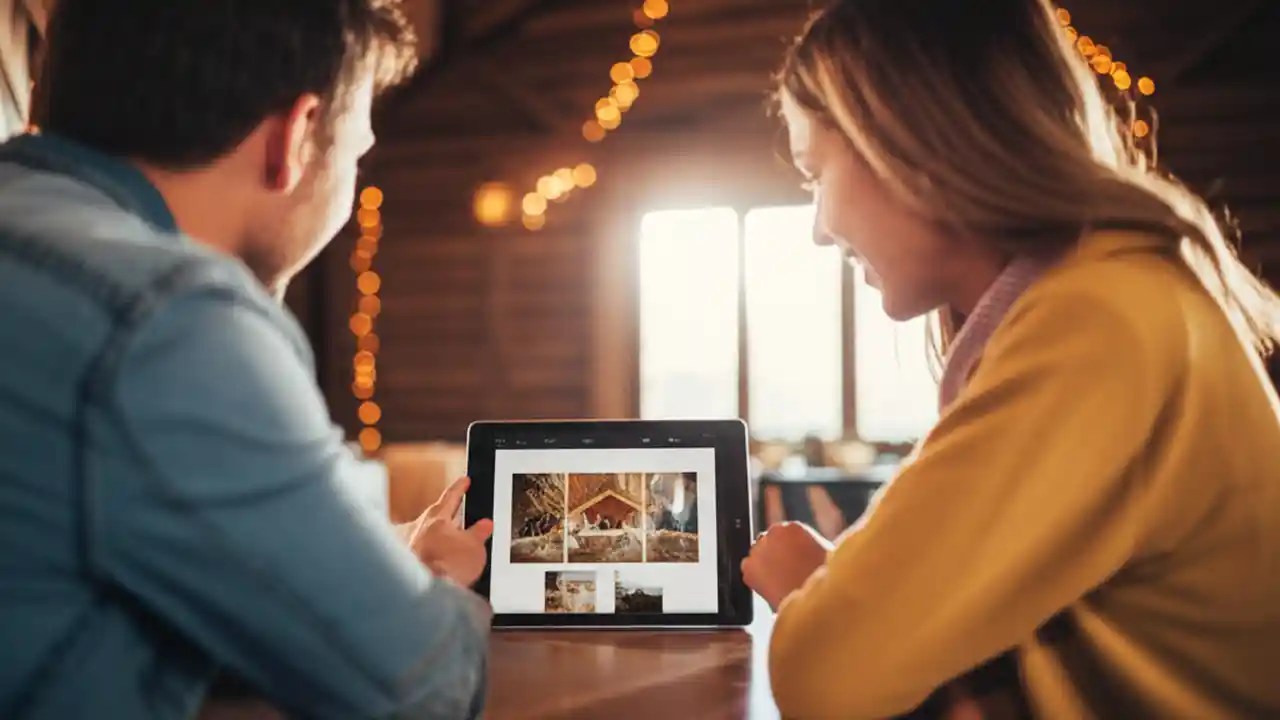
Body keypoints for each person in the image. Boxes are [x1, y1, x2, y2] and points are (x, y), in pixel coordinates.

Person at [741, 0, 1280, 717]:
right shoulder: (1121, 295)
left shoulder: (1099, 323)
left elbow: (828, 677)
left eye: (815, 173)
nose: (818, 229)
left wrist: (809, 588)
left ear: (907, 139)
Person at [0, 1, 495, 718]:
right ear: (295, 139)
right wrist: (442, 591)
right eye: (356, 150)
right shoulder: (168, 320)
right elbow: (424, 688)